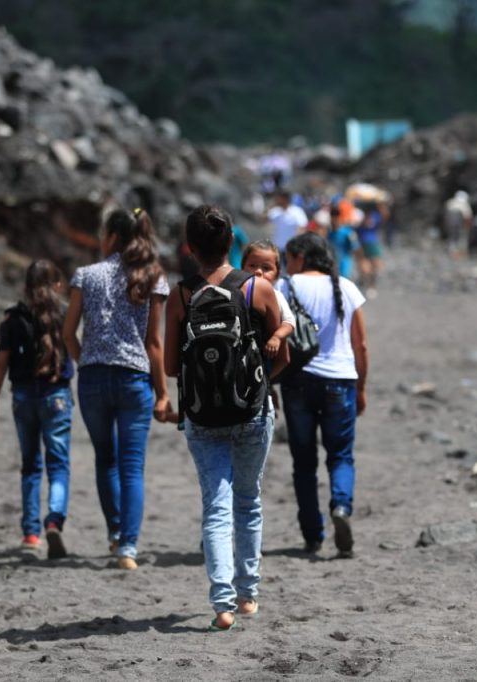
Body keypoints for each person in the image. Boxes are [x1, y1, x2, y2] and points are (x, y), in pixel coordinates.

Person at [164, 205, 284, 631]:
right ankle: (249, 594)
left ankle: (222, 604)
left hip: (201, 415)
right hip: (252, 409)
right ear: (232, 242)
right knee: (248, 501)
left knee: (216, 507)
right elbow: (282, 355)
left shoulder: (181, 295)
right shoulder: (257, 288)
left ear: (190, 248)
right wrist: (253, 382)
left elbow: (174, 368)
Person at [63, 208, 171, 570]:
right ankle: (128, 547)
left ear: (110, 236)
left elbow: (67, 333)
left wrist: (86, 361)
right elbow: (153, 342)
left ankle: (114, 534)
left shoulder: (86, 275)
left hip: (93, 377)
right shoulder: (152, 276)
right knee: (132, 466)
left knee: (104, 460)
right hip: (134, 378)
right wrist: (162, 392)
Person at [277, 232, 369, 559]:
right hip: (340, 379)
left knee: (303, 462)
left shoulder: (285, 287)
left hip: (298, 381)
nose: (285, 264)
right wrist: (361, 388)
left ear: (301, 257)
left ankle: (313, 534)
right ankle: (341, 506)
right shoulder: (345, 286)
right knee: (341, 455)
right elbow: (360, 344)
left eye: (288, 258)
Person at [0, 260, 75, 560]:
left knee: (30, 465)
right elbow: (77, 353)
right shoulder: (64, 315)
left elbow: (0, 365)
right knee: (59, 465)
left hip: (23, 398)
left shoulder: (12, 320)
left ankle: (30, 533)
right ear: (58, 285)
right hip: (57, 397)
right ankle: (54, 520)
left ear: (25, 287)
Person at [354, 202, 385, 297]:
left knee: (377, 266)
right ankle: (365, 283)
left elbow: (384, 219)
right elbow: (354, 225)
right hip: (361, 244)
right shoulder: (358, 214)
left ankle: (371, 285)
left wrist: (382, 207)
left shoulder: (376, 215)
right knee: (364, 268)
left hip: (373, 243)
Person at [267, 191, 308, 255]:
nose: (277, 199)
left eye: (279, 198)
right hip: (276, 248)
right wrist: (270, 207)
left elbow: (302, 228)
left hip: (291, 249)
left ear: (285, 199)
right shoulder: (275, 211)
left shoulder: (297, 211)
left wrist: (296, 244)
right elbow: (262, 221)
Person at [443, 190, 473, 259]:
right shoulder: (464, 206)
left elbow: (445, 214)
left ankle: (452, 251)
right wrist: (467, 227)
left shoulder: (450, 202)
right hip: (457, 225)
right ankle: (454, 252)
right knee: (457, 238)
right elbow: (467, 217)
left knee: (452, 237)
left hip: (450, 224)